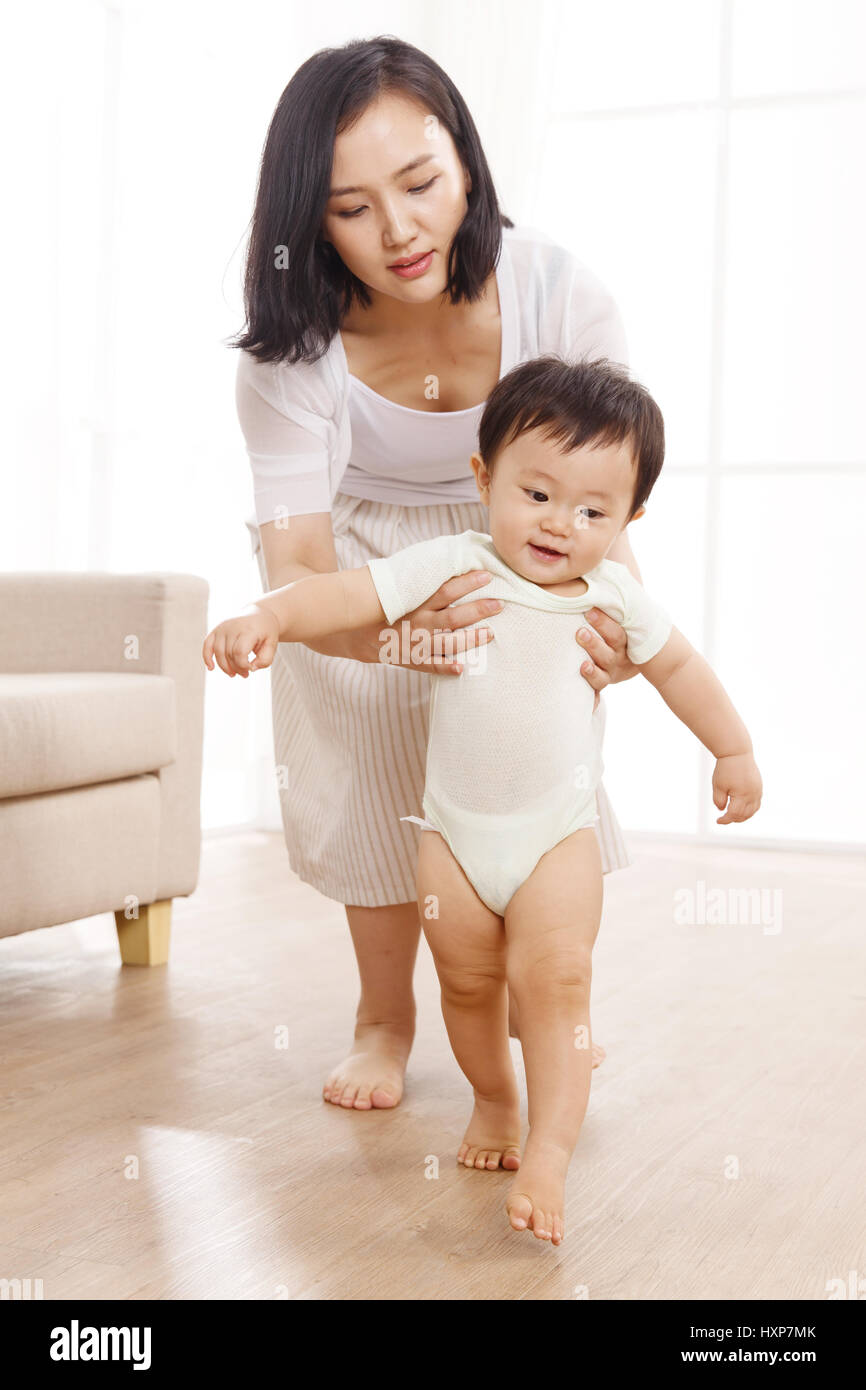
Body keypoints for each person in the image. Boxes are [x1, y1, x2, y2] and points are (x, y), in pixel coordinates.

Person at [203, 354, 763, 1245]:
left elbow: (681, 669)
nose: (559, 525)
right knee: (467, 987)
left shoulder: (616, 597)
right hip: (452, 840)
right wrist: (269, 616)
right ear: (483, 478)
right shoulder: (453, 566)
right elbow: (343, 591)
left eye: (592, 511)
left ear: (629, 520)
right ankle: (495, 1099)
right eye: (536, 494)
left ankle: (549, 1151)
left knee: (560, 980)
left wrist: (731, 749)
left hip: (556, 838)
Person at [229, 35, 646, 1112]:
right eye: (349, 207)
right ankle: (383, 1015)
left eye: (419, 184)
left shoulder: (560, 293)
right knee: (372, 768)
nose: (399, 229)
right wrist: (391, 638)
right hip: (355, 554)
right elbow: (299, 566)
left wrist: (614, 617)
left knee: (523, 761)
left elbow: (601, 485)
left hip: (517, 525)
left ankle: (539, 1004)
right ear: (305, 220)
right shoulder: (289, 354)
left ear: (464, 161)